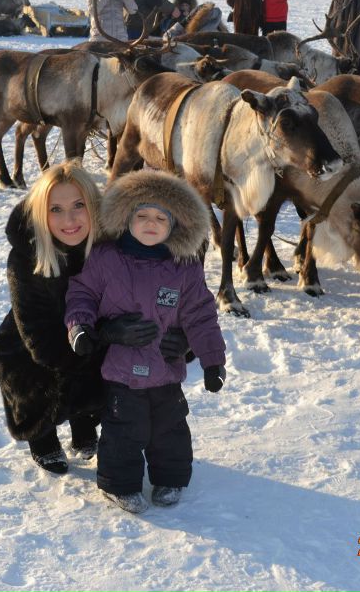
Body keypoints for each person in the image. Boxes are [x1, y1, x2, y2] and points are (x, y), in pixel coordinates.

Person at [0, 161, 189, 475]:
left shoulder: (119, 247)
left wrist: (181, 337)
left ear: (94, 206)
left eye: (78, 205)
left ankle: (84, 421)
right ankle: (42, 435)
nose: (69, 220)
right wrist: (105, 334)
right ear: (41, 213)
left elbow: (166, 296)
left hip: (93, 340)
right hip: (35, 346)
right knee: (36, 375)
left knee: (127, 365)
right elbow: (43, 345)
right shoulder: (27, 258)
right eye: (56, 209)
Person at [65, 171, 227, 514]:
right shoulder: (105, 258)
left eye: (160, 218)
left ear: (175, 225)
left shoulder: (184, 267)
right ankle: (119, 484)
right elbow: (82, 294)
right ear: (126, 217)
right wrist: (80, 328)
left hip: (166, 370)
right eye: (142, 215)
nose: (151, 223)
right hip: (121, 370)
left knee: (171, 427)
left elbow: (200, 314)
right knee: (124, 429)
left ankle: (170, 478)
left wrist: (212, 360)